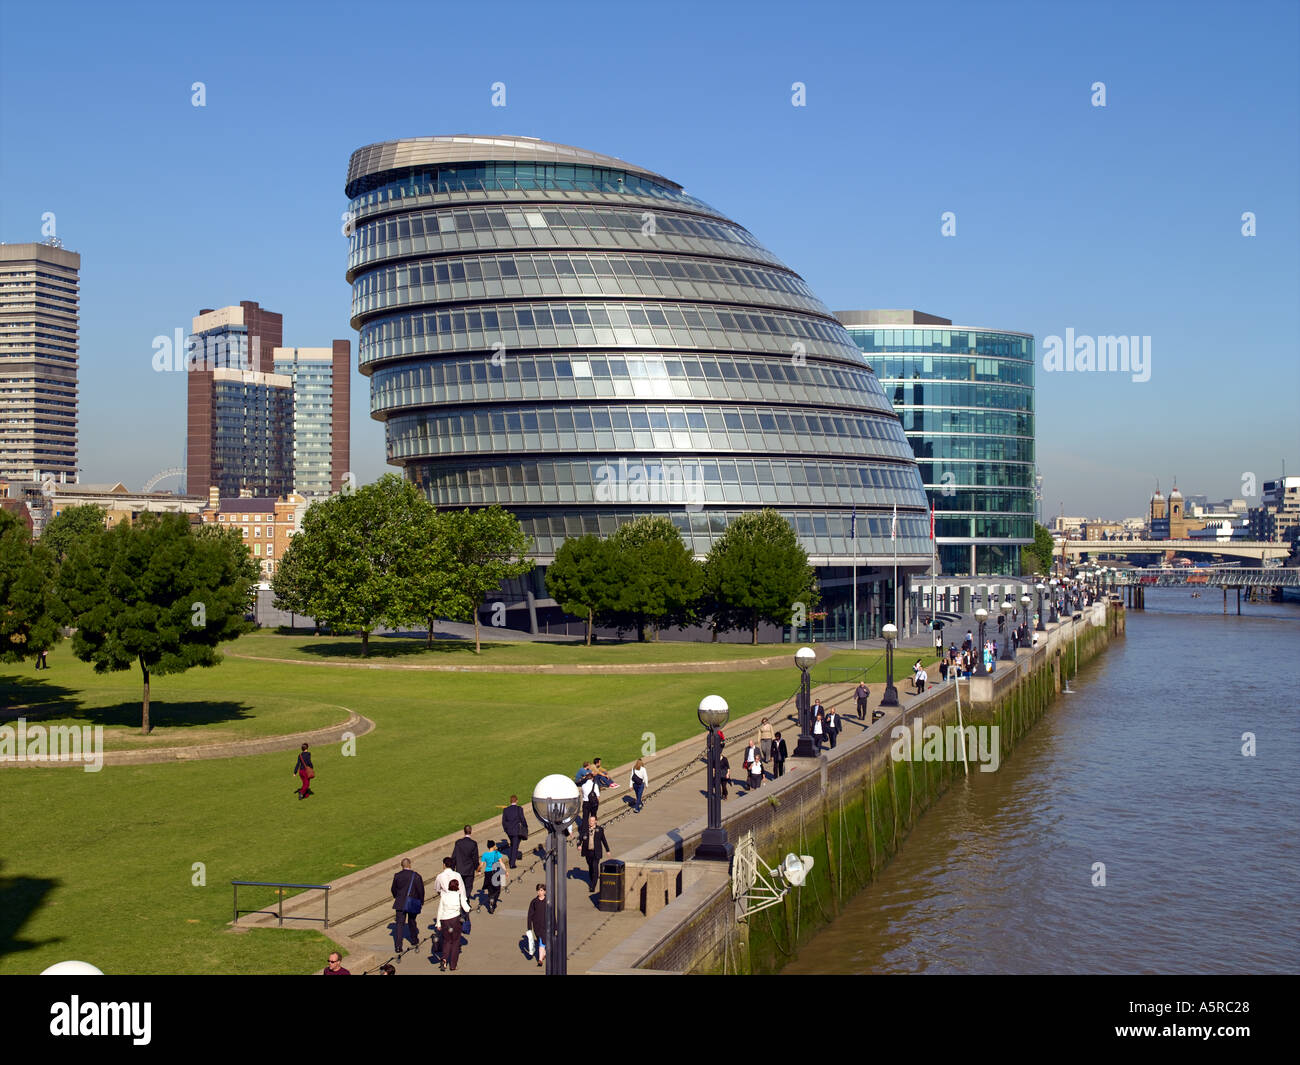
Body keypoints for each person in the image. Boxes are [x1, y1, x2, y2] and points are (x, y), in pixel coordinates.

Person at [435, 877, 470, 971]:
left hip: (444, 920)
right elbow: (466, 909)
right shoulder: (459, 895)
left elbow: (440, 910)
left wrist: (438, 923)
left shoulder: (444, 896)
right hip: (455, 920)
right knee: (455, 942)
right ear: (457, 887)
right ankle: (453, 965)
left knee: (447, 941)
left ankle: (444, 959)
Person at [390, 858, 424, 952]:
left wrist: (398, 897)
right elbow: (420, 890)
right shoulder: (416, 876)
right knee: (412, 921)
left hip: (400, 903)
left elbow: (393, 889)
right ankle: (414, 940)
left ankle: (398, 946)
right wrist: (421, 901)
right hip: (412, 902)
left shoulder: (397, 875)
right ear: (410, 865)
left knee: (399, 925)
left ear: (402, 866)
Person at [580, 815, 610, 889]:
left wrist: (607, 850)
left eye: (592, 821)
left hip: (596, 852)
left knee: (595, 867)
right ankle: (592, 879)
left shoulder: (600, 829)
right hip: (588, 852)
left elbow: (603, 840)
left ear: (596, 821)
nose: (591, 822)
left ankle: (593, 886)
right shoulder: (585, 829)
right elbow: (580, 838)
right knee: (590, 867)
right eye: (590, 821)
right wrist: (578, 845)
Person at [452, 825, 479, 906]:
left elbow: (454, 856)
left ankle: (462, 900)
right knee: (468, 886)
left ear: (464, 831)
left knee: (460, 886)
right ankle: (466, 900)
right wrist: (477, 868)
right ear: (471, 831)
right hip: (469, 870)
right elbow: (475, 858)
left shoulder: (458, 843)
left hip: (460, 869)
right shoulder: (473, 844)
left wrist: (452, 868)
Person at [479, 840, 508, 914]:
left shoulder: (485, 854)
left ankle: (491, 899)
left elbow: (481, 865)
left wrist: (478, 870)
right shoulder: (497, 853)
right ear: (493, 846)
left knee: (490, 888)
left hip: (488, 873)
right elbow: (501, 863)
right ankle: (493, 902)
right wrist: (505, 871)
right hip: (496, 872)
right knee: (497, 889)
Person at [501, 795, 529, 868]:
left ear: (510, 801)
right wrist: (526, 826)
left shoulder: (506, 810)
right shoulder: (519, 809)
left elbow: (503, 822)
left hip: (509, 832)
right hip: (517, 831)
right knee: (515, 846)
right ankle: (512, 863)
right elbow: (522, 819)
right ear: (516, 801)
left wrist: (506, 830)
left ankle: (516, 855)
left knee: (513, 845)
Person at [526, 884, 547, 967]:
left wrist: (555, 926)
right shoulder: (534, 901)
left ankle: (540, 960)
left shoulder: (548, 901)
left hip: (546, 925)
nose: (540, 892)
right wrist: (529, 927)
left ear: (545, 891)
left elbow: (552, 914)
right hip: (537, 925)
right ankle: (543, 953)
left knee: (542, 941)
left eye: (541, 890)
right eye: (538, 890)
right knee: (540, 940)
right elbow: (530, 914)